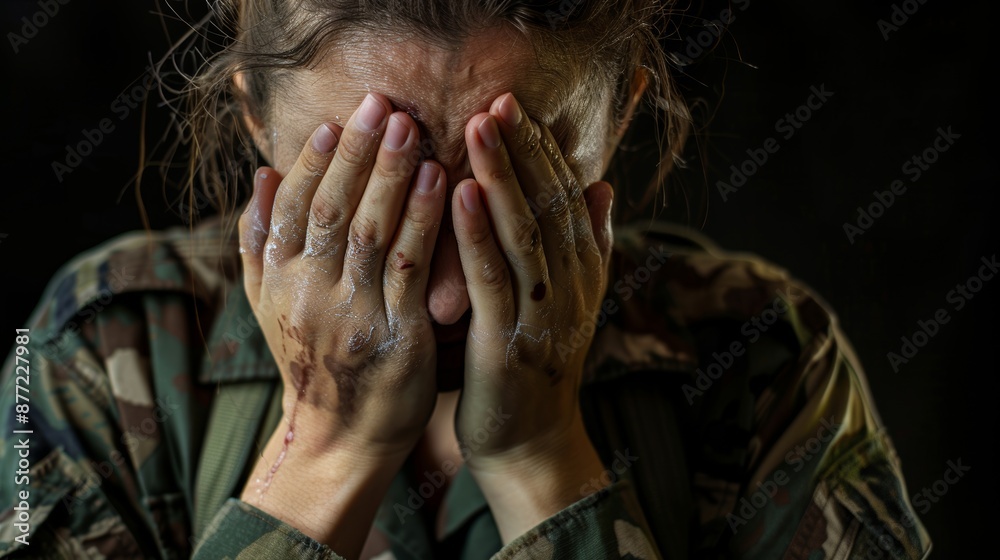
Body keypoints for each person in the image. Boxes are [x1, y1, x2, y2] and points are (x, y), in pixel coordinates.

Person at [0, 1, 932, 558]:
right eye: (369, 189)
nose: (445, 298)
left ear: (623, 114)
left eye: (520, 185)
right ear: (252, 116)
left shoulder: (761, 358)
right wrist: (326, 447)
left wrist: (542, 462)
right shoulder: (94, 350)